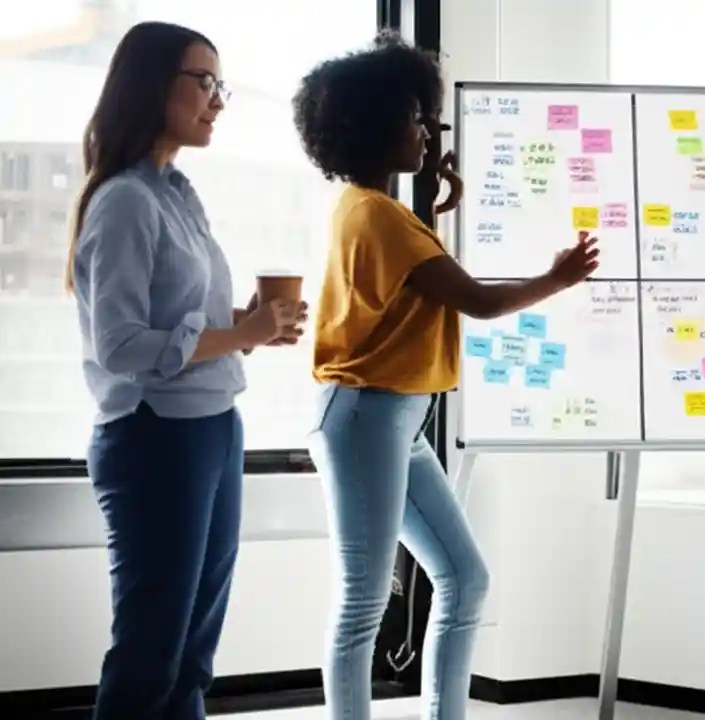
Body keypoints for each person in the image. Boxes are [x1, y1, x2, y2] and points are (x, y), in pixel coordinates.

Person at [293, 32, 599, 720]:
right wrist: (559, 277)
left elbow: (413, 281)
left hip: (390, 418)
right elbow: (479, 301)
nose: (427, 133)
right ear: (374, 127)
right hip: (366, 415)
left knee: (464, 577)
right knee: (362, 603)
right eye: (414, 119)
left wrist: (436, 202)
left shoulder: (374, 210)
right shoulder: (377, 215)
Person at [70, 21, 303, 719]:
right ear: (151, 87)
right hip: (154, 438)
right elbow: (121, 346)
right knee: (151, 656)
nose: (217, 99)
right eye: (203, 81)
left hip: (211, 427)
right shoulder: (125, 202)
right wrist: (242, 331)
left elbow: (182, 321)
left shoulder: (175, 192)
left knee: (192, 657)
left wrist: (249, 326)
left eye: (219, 83)